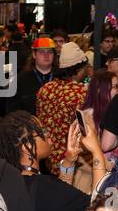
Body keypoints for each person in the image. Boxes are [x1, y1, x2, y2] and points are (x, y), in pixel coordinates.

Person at [35, 42, 91, 174]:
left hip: (46, 159)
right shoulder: (81, 92)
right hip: (70, 160)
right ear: (78, 70)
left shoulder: (45, 88)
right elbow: (84, 129)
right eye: (85, 68)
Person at [7, 36, 57, 115]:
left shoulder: (61, 78)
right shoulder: (20, 80)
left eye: (50, 52)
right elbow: (12, 111)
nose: (46, 55)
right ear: (34, 54)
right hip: (30, 125)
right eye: (41, 52)